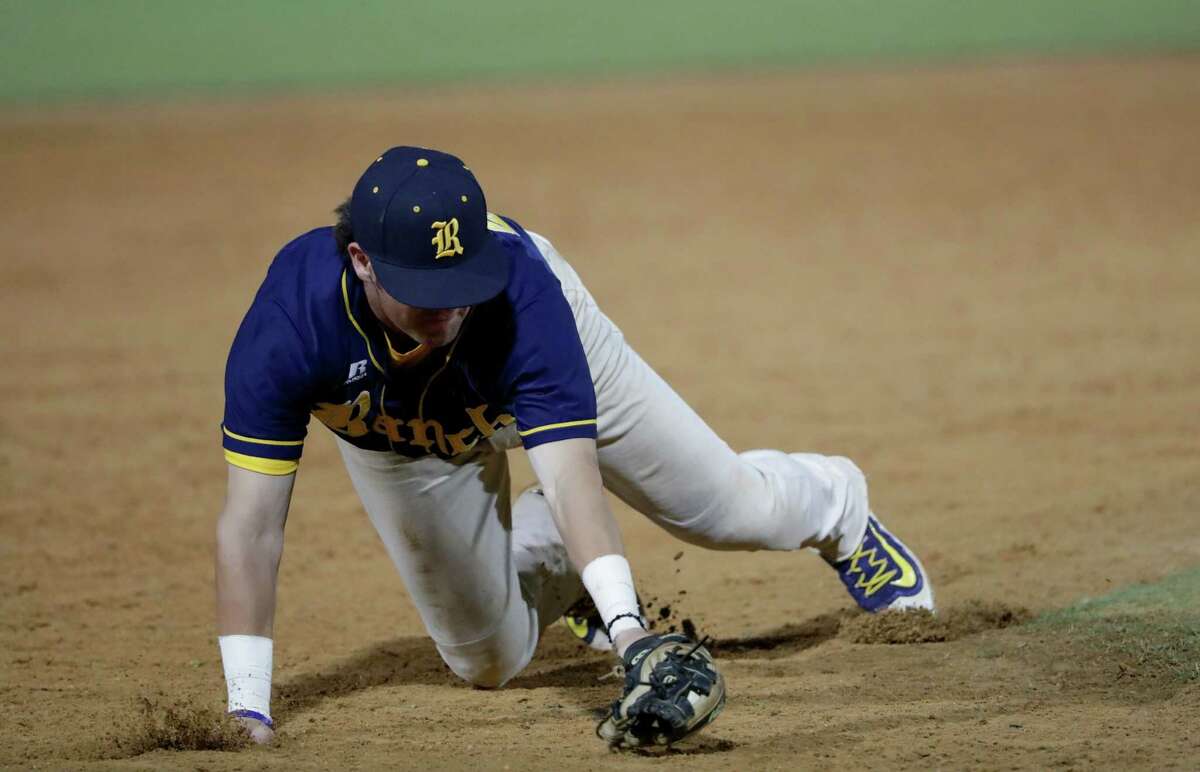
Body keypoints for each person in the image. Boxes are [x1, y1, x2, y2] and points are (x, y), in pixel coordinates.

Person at [216, 146, 934, 747]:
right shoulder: (290, 328)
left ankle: (838, 509)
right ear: (362, 261)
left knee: (724, 510)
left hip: (549, 368)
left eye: (461, 281)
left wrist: (633, 638)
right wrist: (247, 708)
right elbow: (251, 528)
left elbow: (569, 476)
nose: (448, 306)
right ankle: (564, 565)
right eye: (424, 289)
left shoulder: (521, 296)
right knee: (487, 661)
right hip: (409, 445)